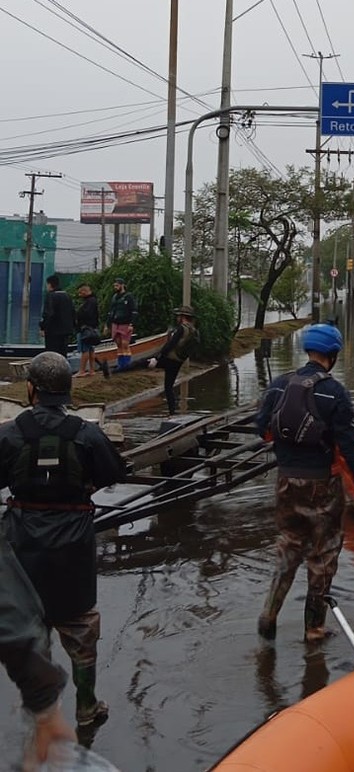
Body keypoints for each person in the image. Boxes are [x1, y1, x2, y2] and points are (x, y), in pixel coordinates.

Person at [0, 352, 128, 728]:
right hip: (72, 542)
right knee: (79, 624)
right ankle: (86, 707)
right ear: (68, 390)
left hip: (23, 540)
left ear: (31, 389)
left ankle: (41, 712)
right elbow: (111, 472)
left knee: (29, 620)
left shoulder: (9, 433)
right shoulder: (87, 433)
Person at [255, 323, 354, 643]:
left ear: (307, 351)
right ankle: (314, 628)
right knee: (323, 554)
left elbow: (262, 430)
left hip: (285, 481)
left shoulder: (279, 385)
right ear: (332, 355)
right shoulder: (335, 394)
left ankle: (269, 613)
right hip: (323, 485)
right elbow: (347, 448)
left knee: (289, 546)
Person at [0, 533, 76, 767]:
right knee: (79, 625)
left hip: (25, 532)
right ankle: (88, 706)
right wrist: (45, 708)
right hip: (66, 540)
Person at [147, 306, 199, 415]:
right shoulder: (193, 330)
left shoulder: (181, 328)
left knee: (143, 363)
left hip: (170, 359)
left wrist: (157, 357)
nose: (177, 318)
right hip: (179, 361)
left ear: (183, 317)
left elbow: (170, 345)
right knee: (169, 387)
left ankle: (115, 370)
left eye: (179, 316)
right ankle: (172, 414)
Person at [105, 278, 137, 371]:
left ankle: (126, 365)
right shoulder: (114, 297)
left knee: (125, 344)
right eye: (114, 285)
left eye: (117, 285)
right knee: (118, 344)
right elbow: (111, 311)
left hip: (125, 323)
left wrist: (132, 324)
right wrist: (107, 324)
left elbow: (134, 311)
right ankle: (120, 364)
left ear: (122, 285)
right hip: (116, 322)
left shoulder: (128, 296)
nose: (115, 287)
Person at [39, 275, 75, 357]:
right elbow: (73, 312)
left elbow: (48, 314)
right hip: (66, 331)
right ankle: (64, 369)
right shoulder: (67, 296)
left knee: (52, 354)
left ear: (49, 284)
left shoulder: (51, 296)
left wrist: (43, 327)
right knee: (63, 354)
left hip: (53, 332)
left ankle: (53, 369)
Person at [74, 284, 100, 378]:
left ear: (85, 291)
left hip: (86, 329)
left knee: (84, 350)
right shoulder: (93, 300)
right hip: (93, 328)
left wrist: (77, 315)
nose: (79, 295)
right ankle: (92, 370)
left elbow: (85, 314)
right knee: (91, 350)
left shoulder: (89, 302)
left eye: (80, 292)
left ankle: (82, 370)